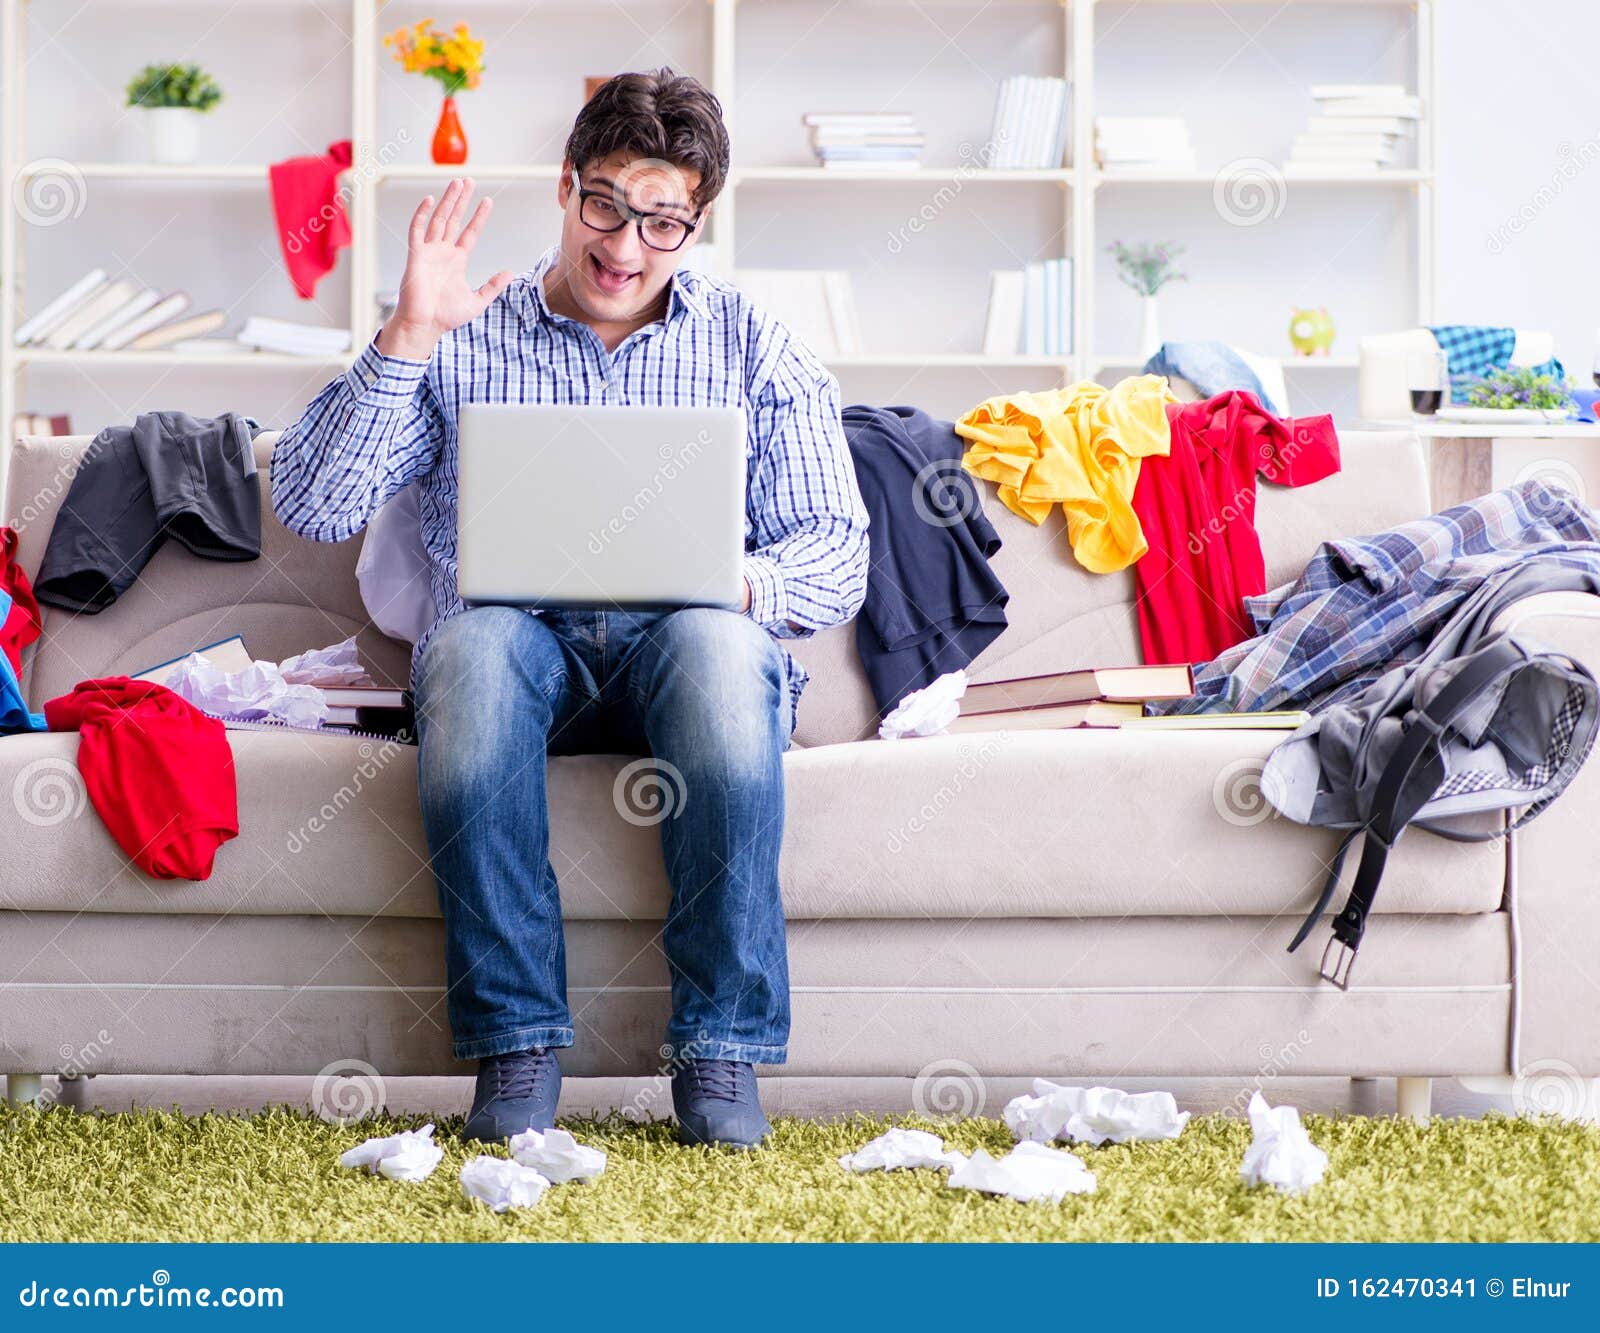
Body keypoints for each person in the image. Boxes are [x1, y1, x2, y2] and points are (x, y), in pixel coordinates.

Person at [272, 69, 869, 1148]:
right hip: (514, 654)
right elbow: (314, 504)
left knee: (726, 650)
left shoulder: (752, 342)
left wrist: (731, 582)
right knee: (472, 649)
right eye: (605, 204)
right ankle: (517, 1046)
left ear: (697, 222)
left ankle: (720, 1051)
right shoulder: (461, 326)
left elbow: (836, 553)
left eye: (662, 221)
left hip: (684, 657)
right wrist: (407, 334)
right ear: (565, 185)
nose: (625, 247)